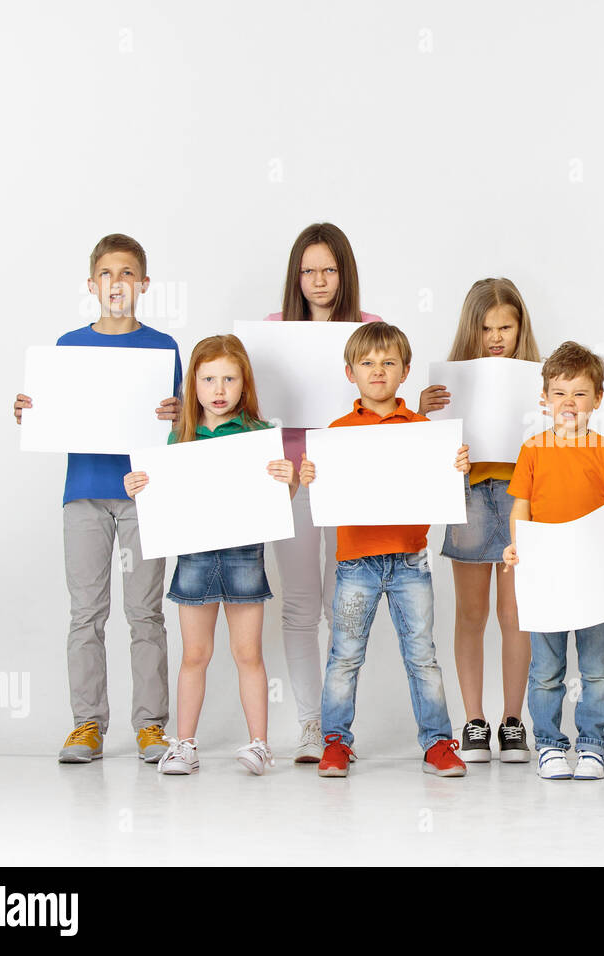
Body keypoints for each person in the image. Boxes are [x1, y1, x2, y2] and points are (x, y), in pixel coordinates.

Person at [13, 233, 181, 763]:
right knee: (86, 613)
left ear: (145, 284)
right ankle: (87, 724)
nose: (118, 283)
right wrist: (30, 412)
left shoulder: (164, 347)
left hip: (142, 494)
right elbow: (55, 414)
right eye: (108, 274)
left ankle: (151, 727)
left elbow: (184, 425)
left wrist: (177, 418)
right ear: (92, 284)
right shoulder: (67, 346)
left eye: (128, 273)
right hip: (83, 493)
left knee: (145, 613)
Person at [300, 322, 469, 778]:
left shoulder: (422, 429)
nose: (378, 371)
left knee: (422, 655)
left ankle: (437, 744)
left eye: (389, 363)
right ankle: (335, 742)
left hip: (411, 558)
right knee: (344, 655)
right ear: (351, 372)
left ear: (406, 371)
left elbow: (442, 484)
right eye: (368, 363)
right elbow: (323, 490)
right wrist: (312, 478)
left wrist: (455, 466)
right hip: (355, 561)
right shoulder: (336, 432)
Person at [126, 335, 297, 775]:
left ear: (244, 384)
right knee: (195, 655)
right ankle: (184, 744)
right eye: (208, 379)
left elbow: (282, 496)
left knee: (248, 654)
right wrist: (140, 489)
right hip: (195, 557)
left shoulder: (259, 435)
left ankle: (259, 744)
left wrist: (289, 479)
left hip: (244, 556)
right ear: (192, 385)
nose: (218, 389)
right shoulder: (178, 437)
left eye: (228, 379)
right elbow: (163, 498)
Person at [264, 223, 381, 763]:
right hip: (292, 479)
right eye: (308, 270)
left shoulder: (371, 328)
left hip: (354, 477)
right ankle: (311, 723)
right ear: (296, 276)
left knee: (345, 605)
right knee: (299, 606)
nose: (317, 280)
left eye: (328, 269)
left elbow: (386, 395)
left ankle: (339, 725)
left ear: (344, 273)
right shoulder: (271, 332)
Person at [503, 342, 604, 780]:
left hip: (596, 574)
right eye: (559, 393)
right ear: (544, 400)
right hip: (545, 573)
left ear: (597, 400)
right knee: (546, 669)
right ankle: (548, 744)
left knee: (598, 670)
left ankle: (592, 745)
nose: (569, 403)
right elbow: (520, 508)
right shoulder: (533, 449)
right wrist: (516, 546)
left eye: (580, 393)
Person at [438, 279, 542, 763]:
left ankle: (513, 720)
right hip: (470, 494)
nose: (496, 336)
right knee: (471, 612)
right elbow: (430, 449)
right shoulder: (451, 383)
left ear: (521, 328)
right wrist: (430, 419)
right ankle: (474, 721)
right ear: (471, 330)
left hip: (522, 494)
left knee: (515, 613)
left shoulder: (539, 379)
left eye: (506, 326)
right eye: (486, 328)